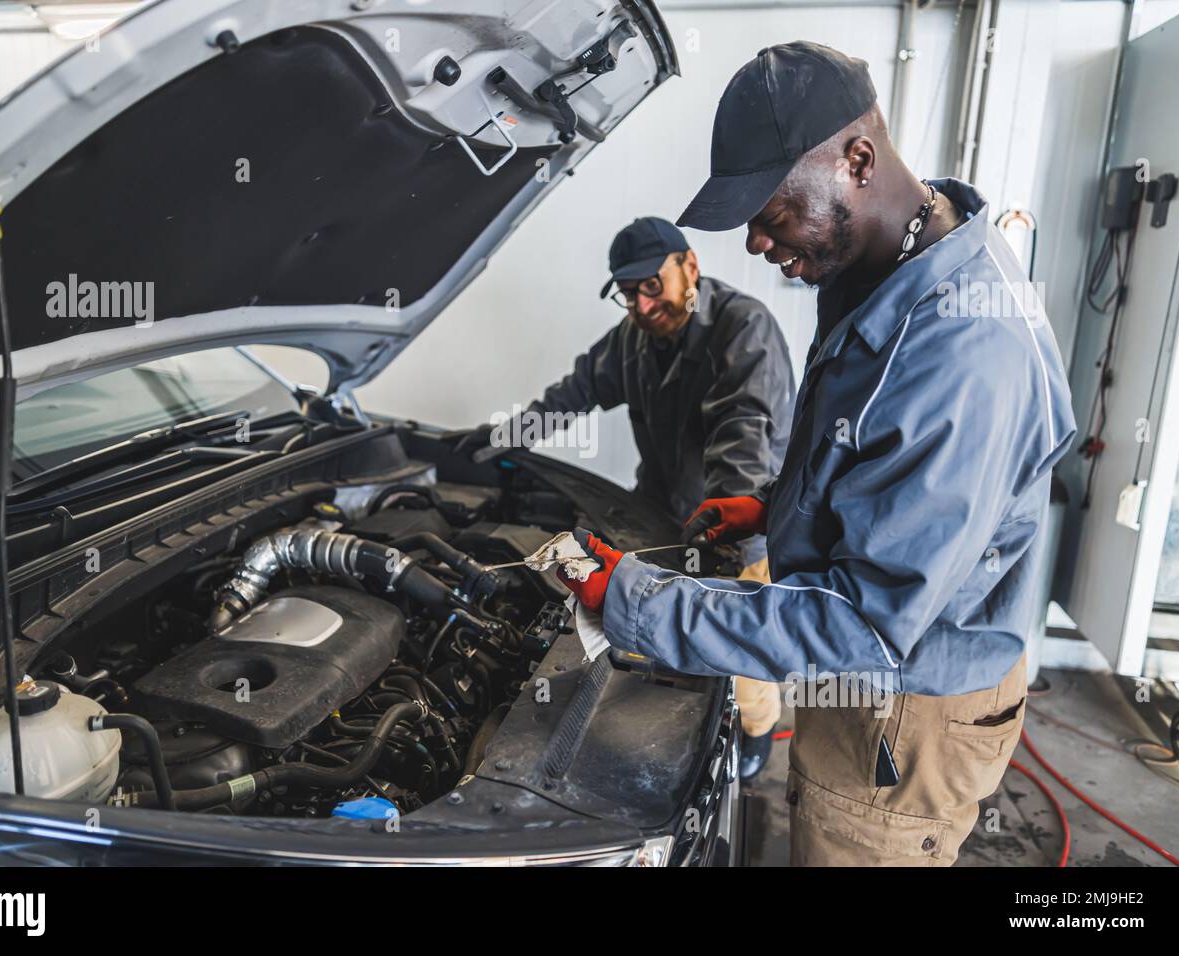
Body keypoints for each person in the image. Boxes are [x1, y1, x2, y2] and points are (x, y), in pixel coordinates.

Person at [557, 42, 1075, 866]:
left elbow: (865, 628)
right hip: (878, 685)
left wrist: (636, 600)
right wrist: (778, 503)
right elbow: (872, 458)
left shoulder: (959, 350)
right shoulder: (885, 265)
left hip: (903, 714)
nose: (759, 246)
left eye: (771, 214)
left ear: (856, 161)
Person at [449, 217, 794, 776]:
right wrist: (500, 437)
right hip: (657, 513)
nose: (640, 304)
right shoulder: (633, 340)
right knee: (658, 644)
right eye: (627, 293)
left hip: (735, 528)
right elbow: (573, 394)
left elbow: (744, 436)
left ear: (690, 267)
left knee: (741, 657)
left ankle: (756, 739)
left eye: (651, 286)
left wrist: (726, 539)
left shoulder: (742, 329)